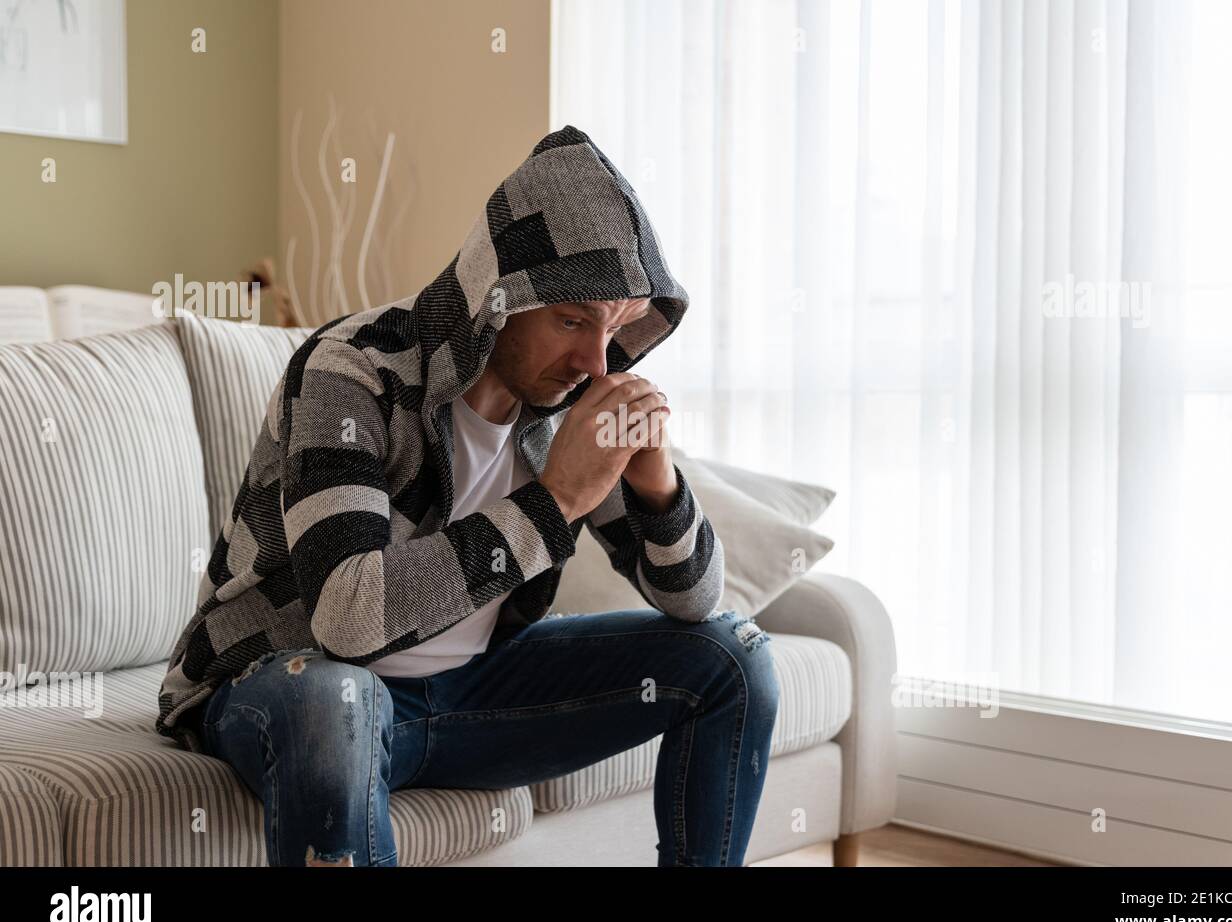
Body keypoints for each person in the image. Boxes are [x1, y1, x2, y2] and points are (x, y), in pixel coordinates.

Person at [154, 125, 779, 867]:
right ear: (495, 298)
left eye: (613, 326)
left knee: (735, 656)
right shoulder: (351, 370)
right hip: (290, 684)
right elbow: (347, 621)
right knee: (334, 699)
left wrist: (659, 486)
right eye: (572, 319)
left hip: (466, 695)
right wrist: (551, 504)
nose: (594, 359)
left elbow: (695, 603)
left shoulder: (565, 402)